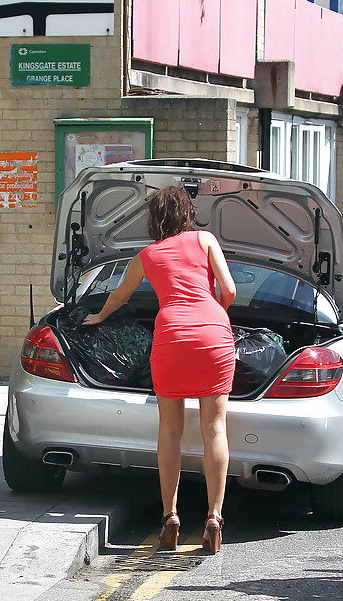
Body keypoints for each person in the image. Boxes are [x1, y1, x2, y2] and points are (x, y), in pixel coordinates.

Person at [83, 186, 236, 554]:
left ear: (154, 219)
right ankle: (214, 517)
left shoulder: (147, 254)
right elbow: (228, 290)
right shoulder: (205, 239)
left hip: (171, 337)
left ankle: (170, 515)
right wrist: (215, 316)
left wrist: (98, 317)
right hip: (213, 333)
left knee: (170, 430)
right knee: (214, 428)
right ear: (188, 212)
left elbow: (119, 295)